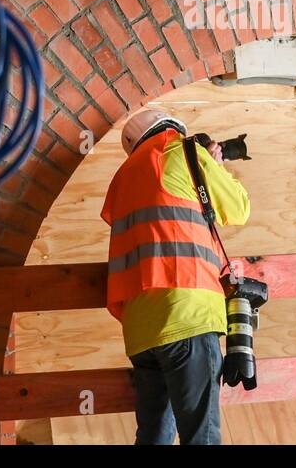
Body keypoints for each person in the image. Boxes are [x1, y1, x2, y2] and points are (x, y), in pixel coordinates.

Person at [101, 108, 251, 445]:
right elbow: (239, 208)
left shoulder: (123, 177)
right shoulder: (183, 152)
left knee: (154, 437)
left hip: (141, 330)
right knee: (201, 437)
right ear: (172, 129)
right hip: (188, 314)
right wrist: (215, 165)